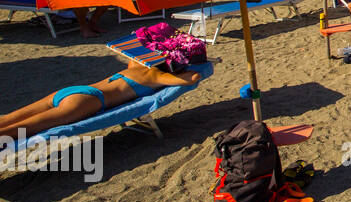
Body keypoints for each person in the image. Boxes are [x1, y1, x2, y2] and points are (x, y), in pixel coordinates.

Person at [0, 61, 203, 138]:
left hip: (73, 90)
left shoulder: (135, 65)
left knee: (10, 118)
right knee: (28, 127)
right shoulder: (156, 76)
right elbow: (192, 78)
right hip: (89, 100)